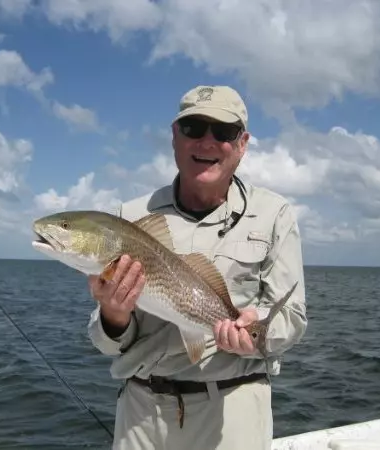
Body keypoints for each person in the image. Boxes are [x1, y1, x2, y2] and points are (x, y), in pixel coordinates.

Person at [87, 85, 307, 450]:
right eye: (193, 128)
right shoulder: (130, 217)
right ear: (175, 136)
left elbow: (293, 316)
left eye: (223, 132)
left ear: (243, 143)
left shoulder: (274, 214)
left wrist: (258, 334)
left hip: (234, 409)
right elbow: (107, 346)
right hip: (141, 412)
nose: (207, 142)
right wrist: (113, 315)